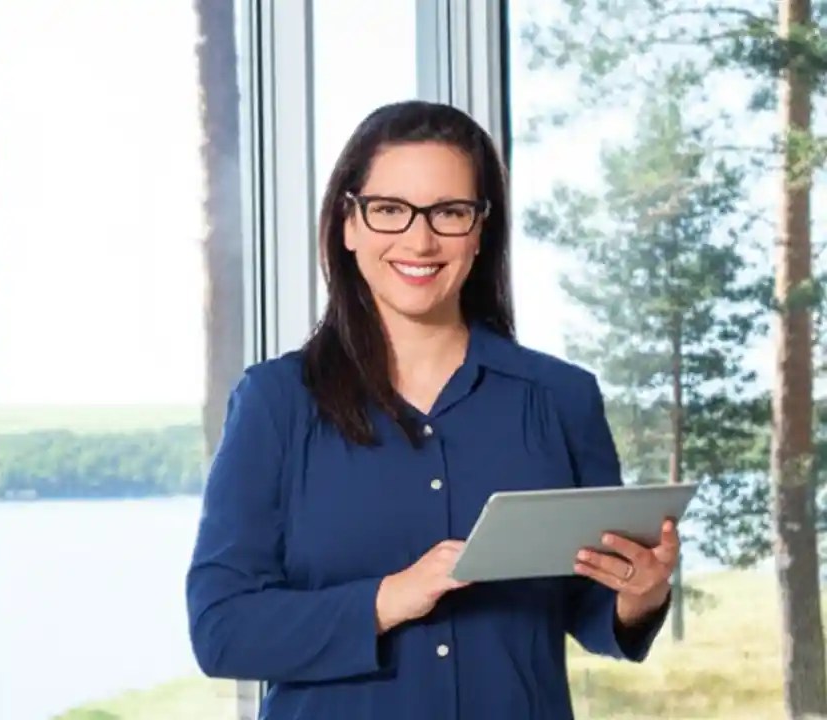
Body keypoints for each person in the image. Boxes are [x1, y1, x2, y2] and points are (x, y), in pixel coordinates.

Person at [185, 100, 678, 719]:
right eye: (390, 210)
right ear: (349, 224)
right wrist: (388, 599)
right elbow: (221, 628)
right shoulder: (275, 403)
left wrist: (640, 593)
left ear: (480, 231)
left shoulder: (561, 398)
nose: (420, 240)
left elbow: (590, 607)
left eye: (449, 213)